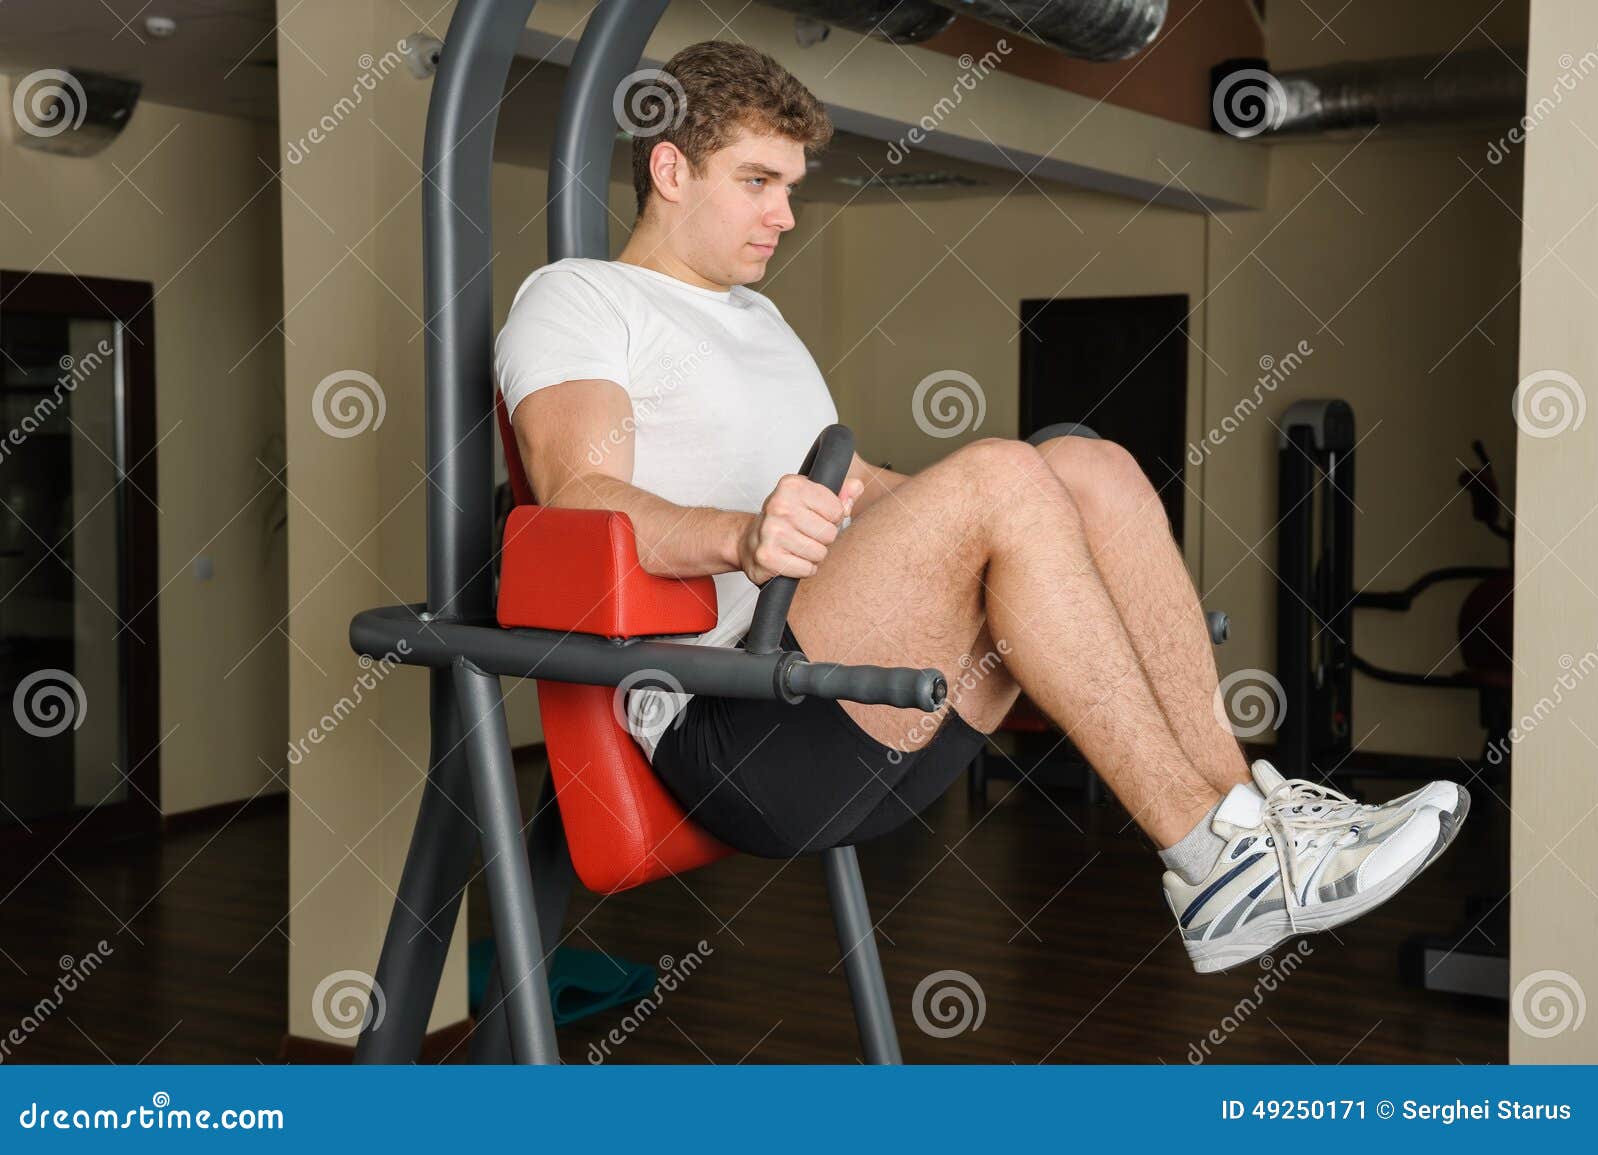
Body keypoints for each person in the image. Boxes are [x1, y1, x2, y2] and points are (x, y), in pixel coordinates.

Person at [494, 40, 1468, 974]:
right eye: (758, 181)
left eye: (792, 186)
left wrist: (1038, 521)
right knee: (1004, 471)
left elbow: (861, 488)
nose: (786, 214)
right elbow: (581, 501)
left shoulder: (761, 318)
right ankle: (1208, 860)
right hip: (742, 729)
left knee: (1087, 467)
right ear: (669, 168)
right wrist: (740, 536)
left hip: (860, 712)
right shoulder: (582, 298)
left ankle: (1244, 815)